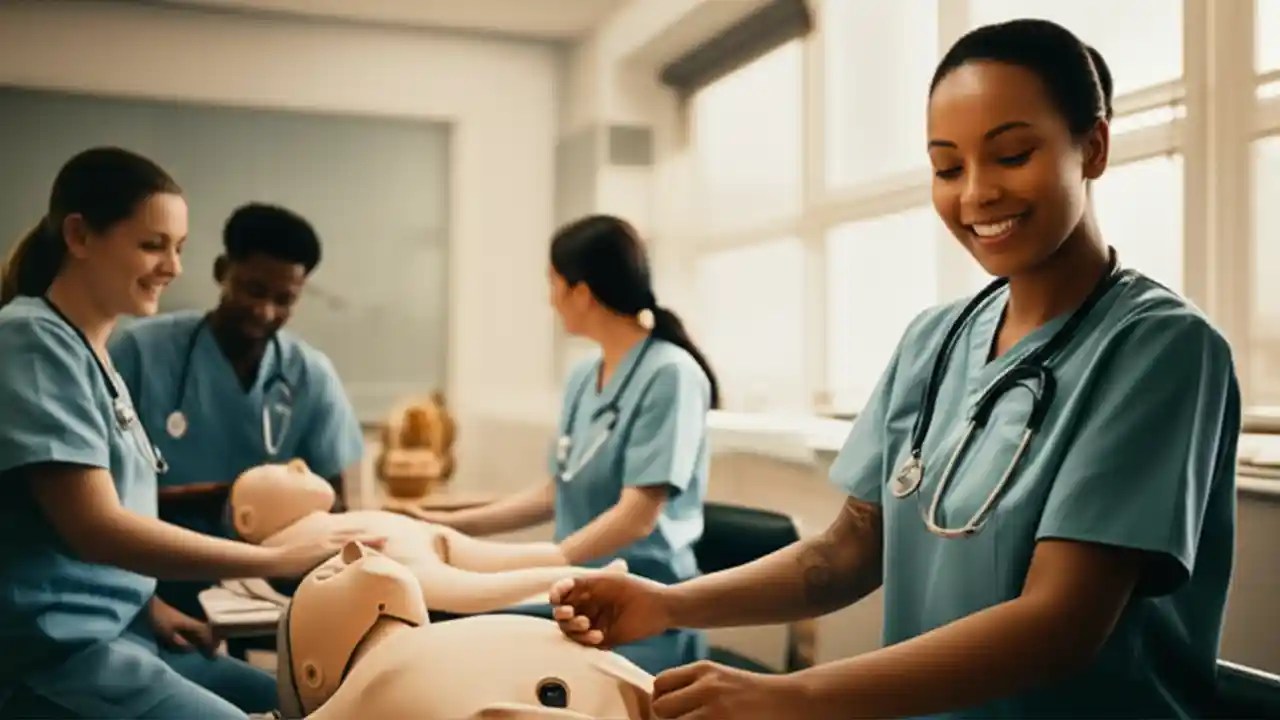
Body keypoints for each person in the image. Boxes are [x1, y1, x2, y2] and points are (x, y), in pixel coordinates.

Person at [547, 19, 1241, 720]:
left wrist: (789, 696)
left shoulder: (1161, 349)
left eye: (1011, 155)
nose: (976, 193)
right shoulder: (934, 341)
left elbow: (1060, 623)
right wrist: (667, 604)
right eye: (948, 168)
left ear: (1093, 147)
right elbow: (847, 552)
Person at [0, 147, 381, 720]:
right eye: (153, 245)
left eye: (178, 247)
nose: (174, 268)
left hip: (128, 629)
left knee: (320, 704)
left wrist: (149, 609)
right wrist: (274, 559)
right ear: (79, 236)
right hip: (57, 655)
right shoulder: (33, 342)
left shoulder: (93, 353)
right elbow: (95, 529)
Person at [421, 214, 719, 674]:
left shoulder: (671, 374)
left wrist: (544, 561)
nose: (550, 299)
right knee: (445, 628)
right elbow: (553, 492)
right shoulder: (583, 378)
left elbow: (637, 516)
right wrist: (449, 526)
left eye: (552, 284)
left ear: (580, 293)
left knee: (473, 649)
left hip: (642, 608)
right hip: (573, 593)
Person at [108, 201, 364, 623]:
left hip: (268, 580)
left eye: (284, 299)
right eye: (254, 290)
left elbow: (333, 506)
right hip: (153, 573)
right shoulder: (141, 352)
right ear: (222, 270)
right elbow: (97, 499)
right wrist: (215, 502)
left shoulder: (309, 375)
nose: (265, 311)